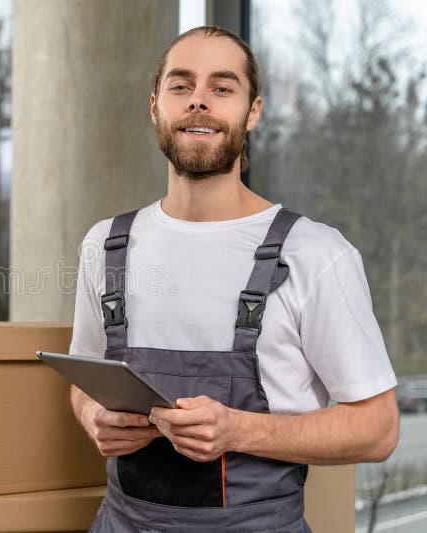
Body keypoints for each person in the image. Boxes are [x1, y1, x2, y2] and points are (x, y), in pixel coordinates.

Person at [69, 26, 399, 532]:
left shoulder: (314, 253)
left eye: (222, 89)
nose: (199, 101)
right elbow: (84, 379)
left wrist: (238, 429)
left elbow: (378, 429)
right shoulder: (105, 245)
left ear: (253, 111)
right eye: (182, 86)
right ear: (155, 105)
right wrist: (95, 417)